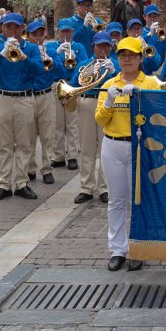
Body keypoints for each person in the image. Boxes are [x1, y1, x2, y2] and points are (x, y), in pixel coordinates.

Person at [95, 36, 158, 272]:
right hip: (113, 145)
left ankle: (138, 247)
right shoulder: (109, 82)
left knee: (139, 199)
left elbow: (158, 115)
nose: (127, 59)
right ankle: (117, 250)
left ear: (141, 58)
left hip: (139, 145)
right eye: (123, 55)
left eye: (132, 55)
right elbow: (100, 119)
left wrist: (141, 97)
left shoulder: (151, 82)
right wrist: (110, 99)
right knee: (116, 200)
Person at [0, 12, 45, 202]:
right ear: (2, 28)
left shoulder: (32, 48)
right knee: (4, 144)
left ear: (22, 28)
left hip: (25, 98)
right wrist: (2, 54)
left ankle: (21, 183)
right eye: (8, 27)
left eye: (16, 27)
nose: (12, 31)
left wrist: (24, 56)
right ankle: (3, 184)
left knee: (25, 143)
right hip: (3, 97)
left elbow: (40, 70)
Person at [72, 34, 115, 204]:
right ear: (93, 46)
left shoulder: (115, 65)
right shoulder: (84, 65)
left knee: (105, 148)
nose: (103, 50)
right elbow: (75, 84)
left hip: (107, 102)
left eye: (106, 46)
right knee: (86, 147)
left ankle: (105, 188)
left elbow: (122, 82)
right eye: (100, 46)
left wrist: (115, 71)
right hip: (87, 101)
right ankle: (86, 188)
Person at [26, 19, 61, 185]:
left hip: (46, 94)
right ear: (28, 36)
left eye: (41, 34)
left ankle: (47, 168)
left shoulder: (50, 51)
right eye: (35, 35)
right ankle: (30, 168)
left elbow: (62, 71)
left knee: (48, 135)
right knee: (29, 135)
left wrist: (51, 61)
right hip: (29, 95)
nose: (38, 38)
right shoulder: (24, 51)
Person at [51, 18, 88, 169]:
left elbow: (85, 66)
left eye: (68, 31)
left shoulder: (79, 46)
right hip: (57, 84)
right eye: (63, 31)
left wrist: (75, 56)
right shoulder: (52, 47)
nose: (65, 34)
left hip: (72, 84)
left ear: (72, 32)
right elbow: (49, 66)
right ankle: (58, 156)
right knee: (57, 123)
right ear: (58, 32)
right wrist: (59, 54)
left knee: (72, 123)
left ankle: (72, 155)